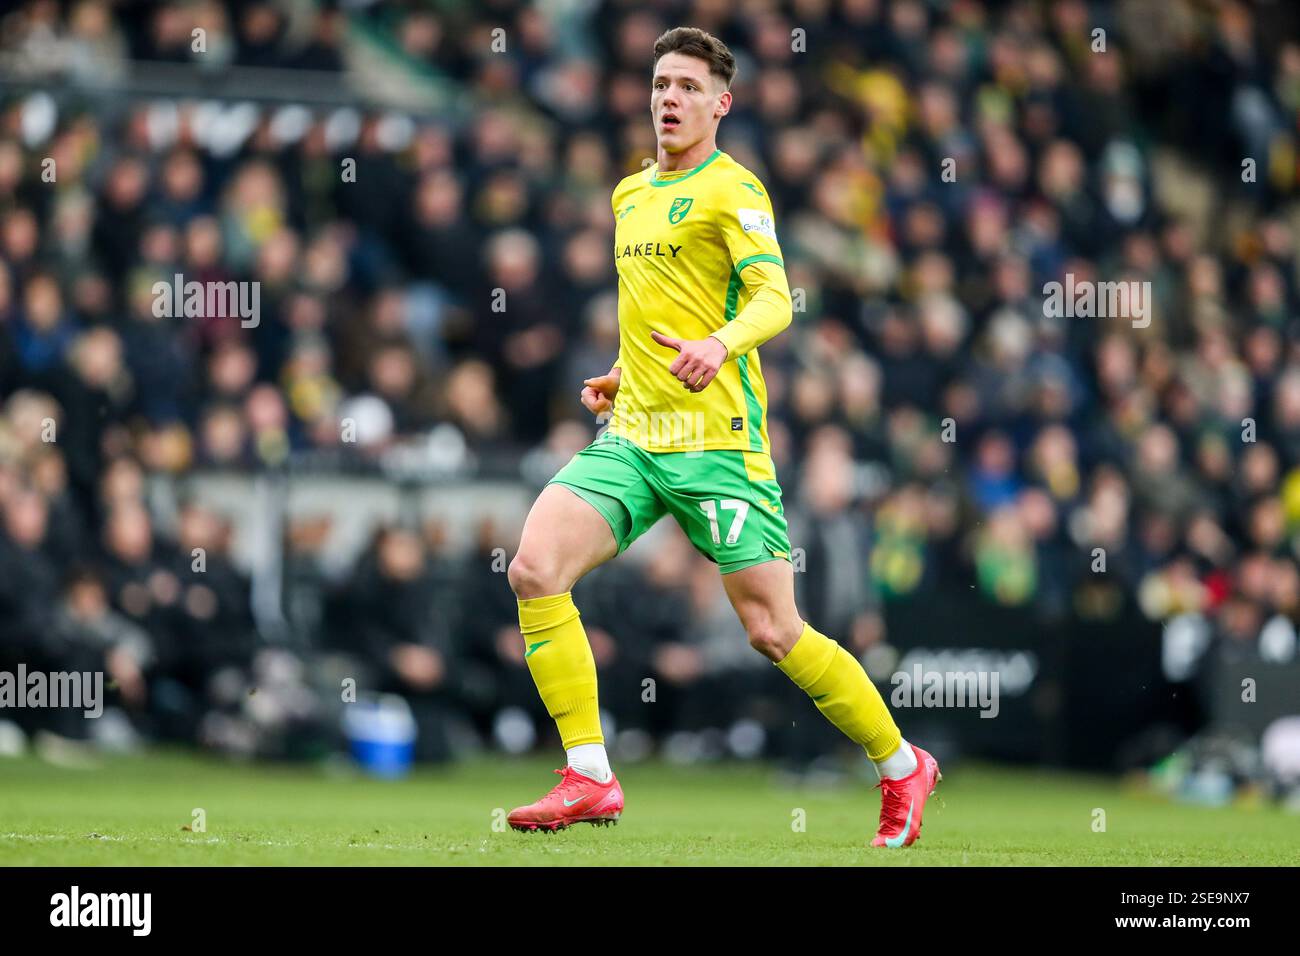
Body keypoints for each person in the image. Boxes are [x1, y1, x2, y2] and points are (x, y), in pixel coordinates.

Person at [505, 26, 940, 847]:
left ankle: (899, 763)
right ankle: (590, 775)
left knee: (775, 631)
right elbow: (656, 314)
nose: (670, 97)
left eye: (688, 87)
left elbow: (774, 300)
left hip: (720, 447)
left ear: (721, 104)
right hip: (637, 434)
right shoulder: (630, 193)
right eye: (661, 82)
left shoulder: (735, 191)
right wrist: (620, 374)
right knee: (533, 568)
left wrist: (721, 344)